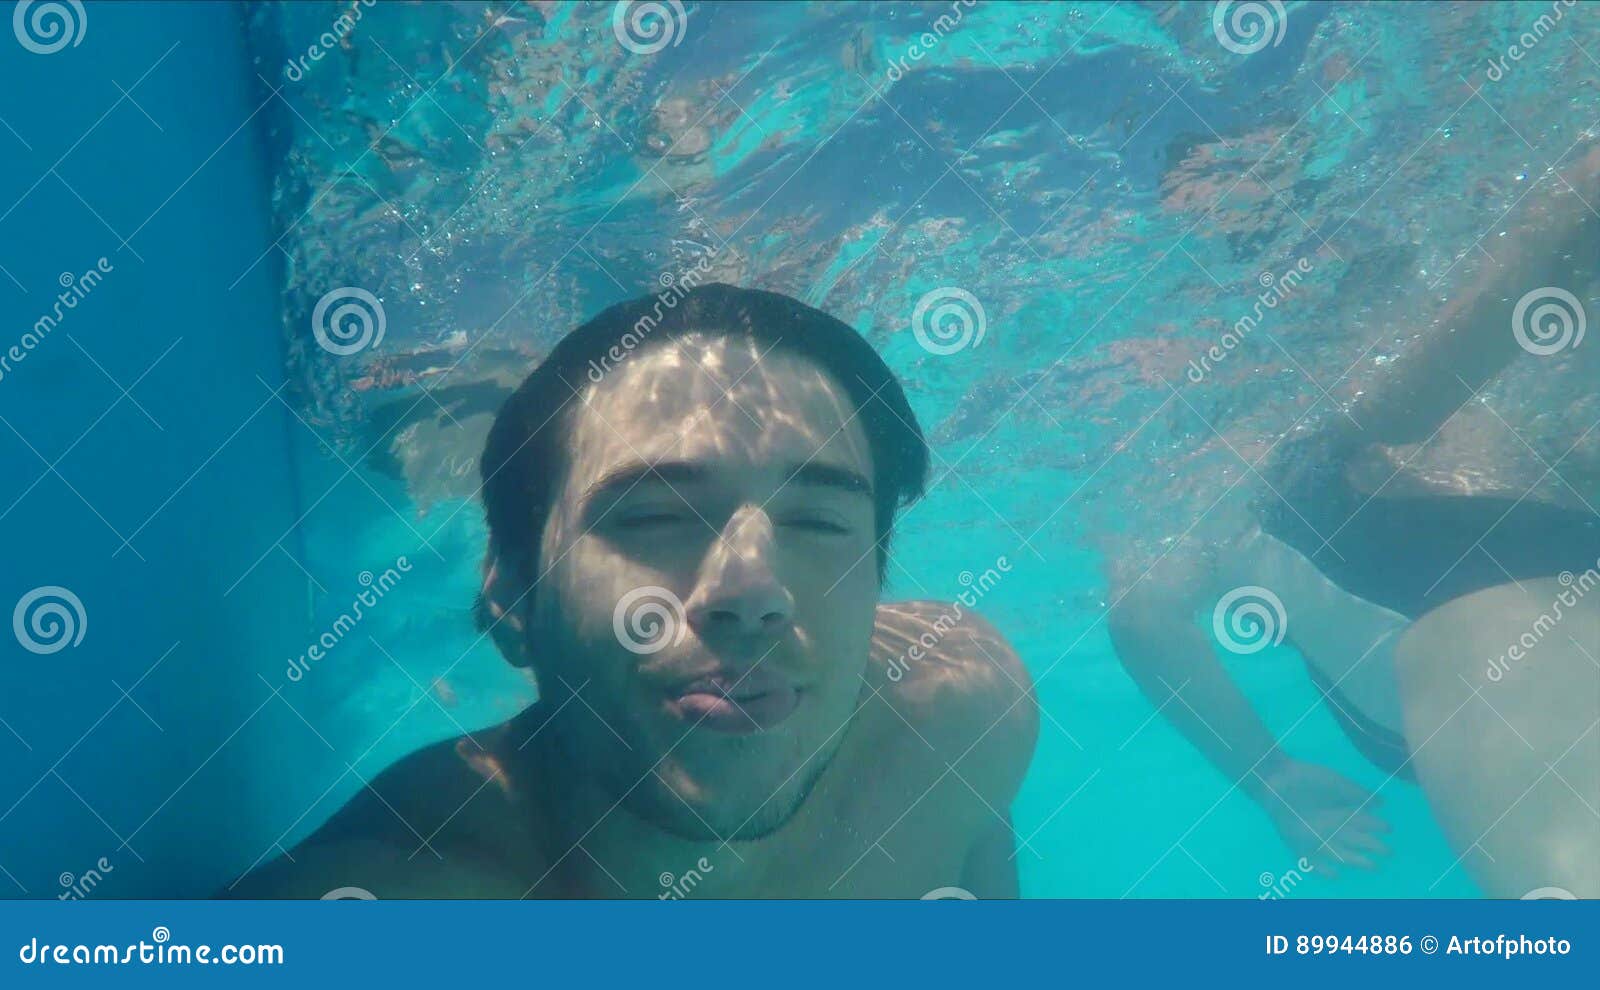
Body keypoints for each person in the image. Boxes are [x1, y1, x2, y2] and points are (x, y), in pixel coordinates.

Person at [226, 283, 1039, 898]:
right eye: (654, 516)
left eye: (820, 522)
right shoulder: (384, 896)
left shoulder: (961, 720)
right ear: (513, 599)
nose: (752, 590)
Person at [1109, 146, 1600, 896]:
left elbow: (1140, 612)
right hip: (1475, 631)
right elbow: (1138, 610)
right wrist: (1269, 776)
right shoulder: (1257, 441)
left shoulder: (1236, 438)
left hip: (1470, 633)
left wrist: (1270, 776)